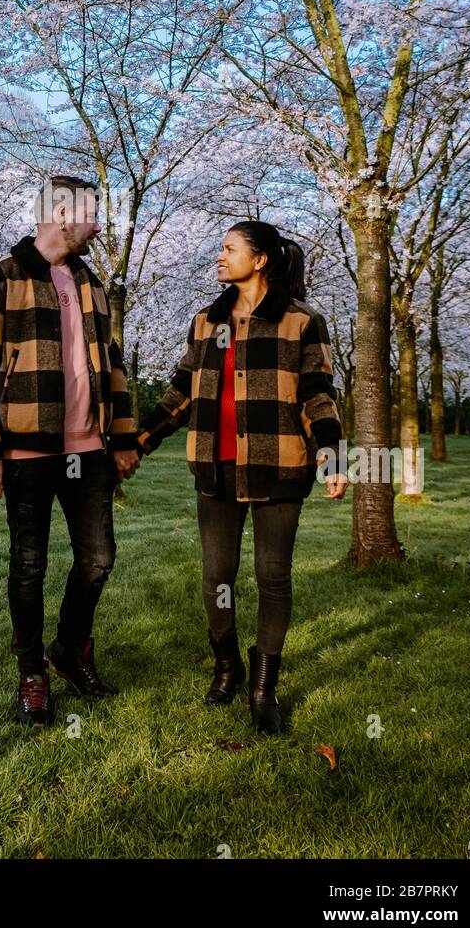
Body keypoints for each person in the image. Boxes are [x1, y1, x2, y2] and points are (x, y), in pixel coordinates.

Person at [136, 220, 347, 735]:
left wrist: (332, 453)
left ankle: (264, 688)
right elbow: (181, 392)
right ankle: (227, 665)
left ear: (260, 260)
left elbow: (317, 391)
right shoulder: (206, 321)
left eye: (229, 249)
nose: (219, 256)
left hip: (281, 468)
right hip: (216, 467)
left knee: (273, 578)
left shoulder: (301, 322)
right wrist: (139, 440)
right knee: (218, 577)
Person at [0, 175, 140, 727]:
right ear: (61, 213)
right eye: (91, 215)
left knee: (99, 560)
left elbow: (113, 366)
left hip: (92, 449)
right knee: (29, 564)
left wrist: (124, 437)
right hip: (25, 451)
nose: (99, 226)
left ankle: (71, 647)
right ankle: (32, 673)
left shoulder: (92, 285)